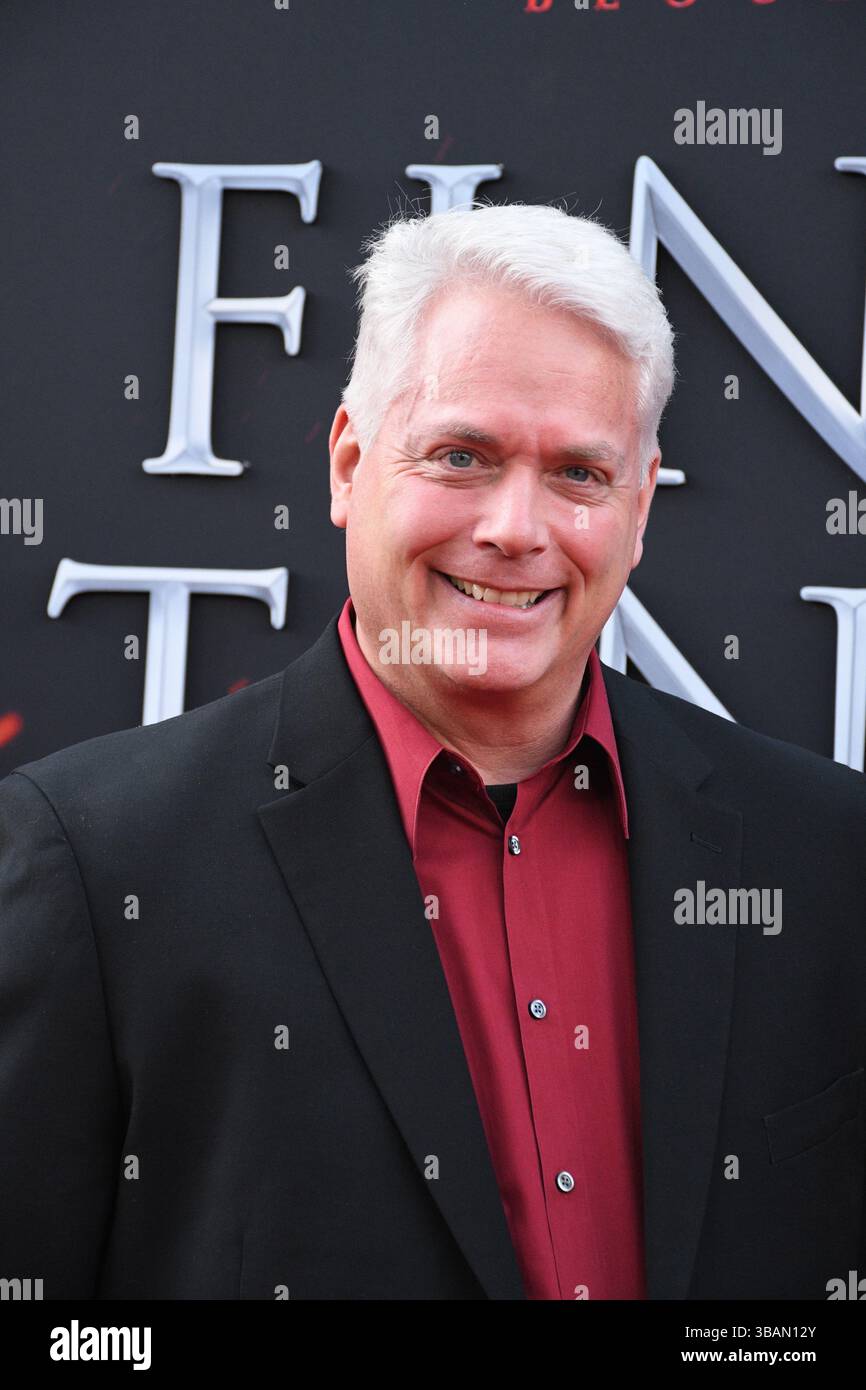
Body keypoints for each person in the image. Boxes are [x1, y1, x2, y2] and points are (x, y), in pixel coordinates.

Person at [1, 204, 863, 1301]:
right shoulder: (98, 862)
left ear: (638, 511)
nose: (514, 526)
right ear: (349, 463)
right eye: (461, 454)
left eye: (578, 475)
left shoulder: (823, 855)